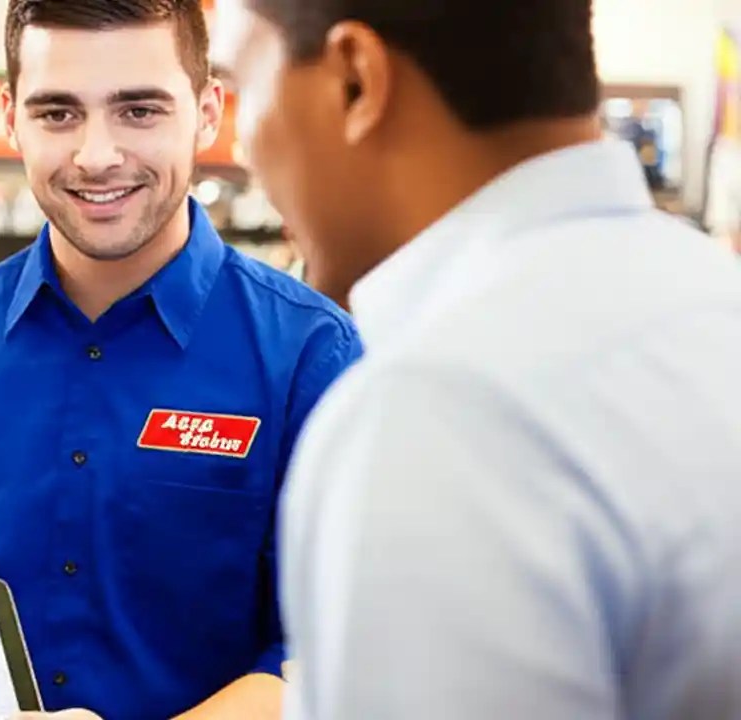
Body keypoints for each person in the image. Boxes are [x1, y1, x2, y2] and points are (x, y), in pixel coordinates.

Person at [209, 0, 741, 718]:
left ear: (356, 81)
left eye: (245, 82)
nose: (243, 147)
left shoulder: (435, 413)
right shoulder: (710, 298)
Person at [0, 0, 362, 718]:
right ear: (10, 118)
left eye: (139, 110)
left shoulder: (310, 355)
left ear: (207, 112)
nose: (97, 155)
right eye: (58, 113)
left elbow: (332, 645)